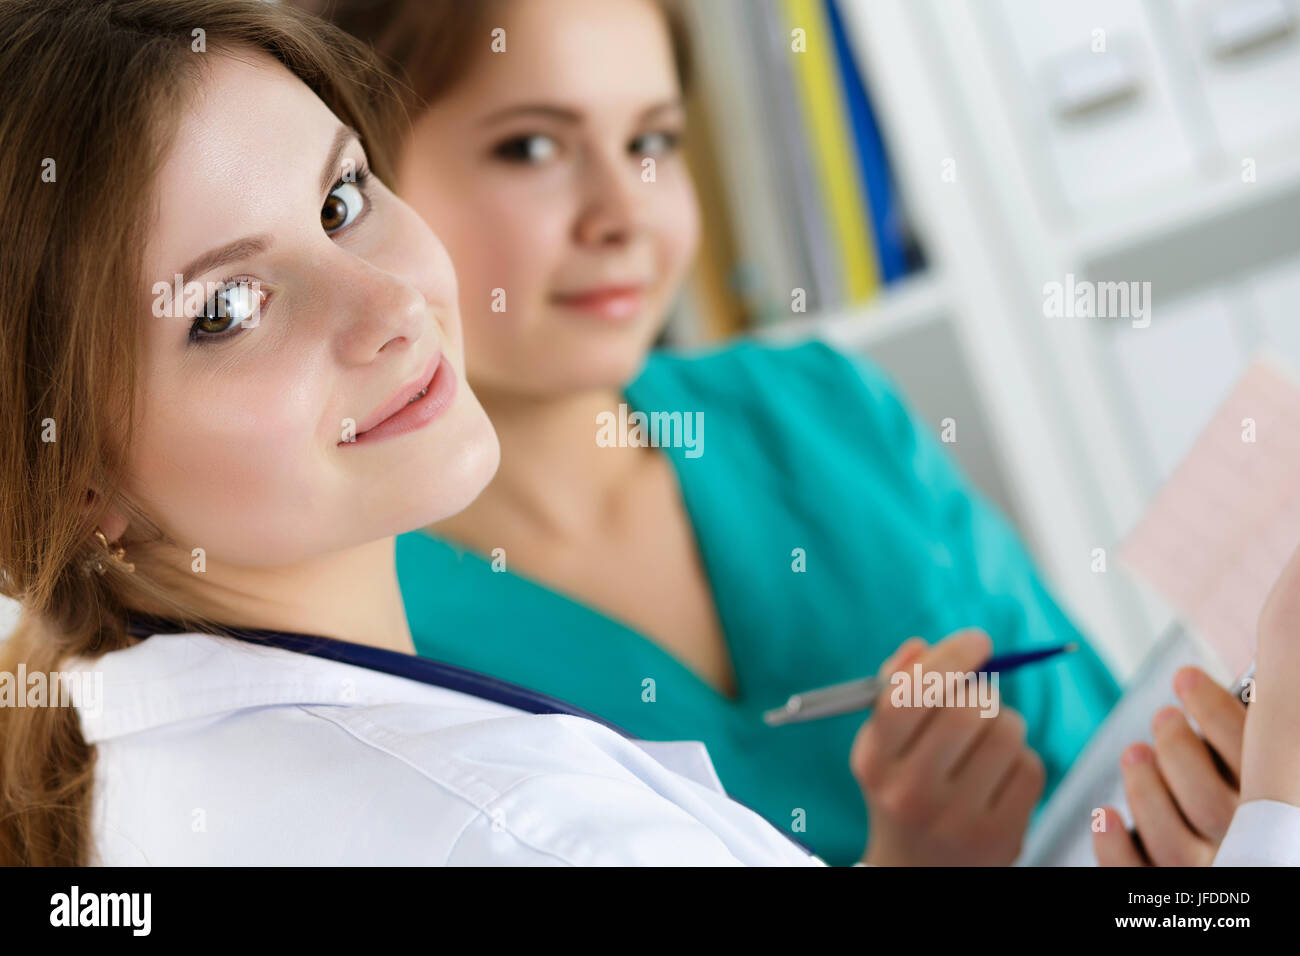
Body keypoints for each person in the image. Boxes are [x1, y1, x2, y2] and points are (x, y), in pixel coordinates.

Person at [0, 0, 821, 866]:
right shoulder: (532, 834)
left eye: (339, 202)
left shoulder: (147, 782)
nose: (391, 304)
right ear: (77, 484)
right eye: (228, 308)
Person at [303, 0, 1121, 865]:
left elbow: (1104, 753)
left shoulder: (820, 404)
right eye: (533, 148)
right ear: (352, 194)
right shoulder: (366, 634)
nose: (623, 213)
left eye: (651, 143)